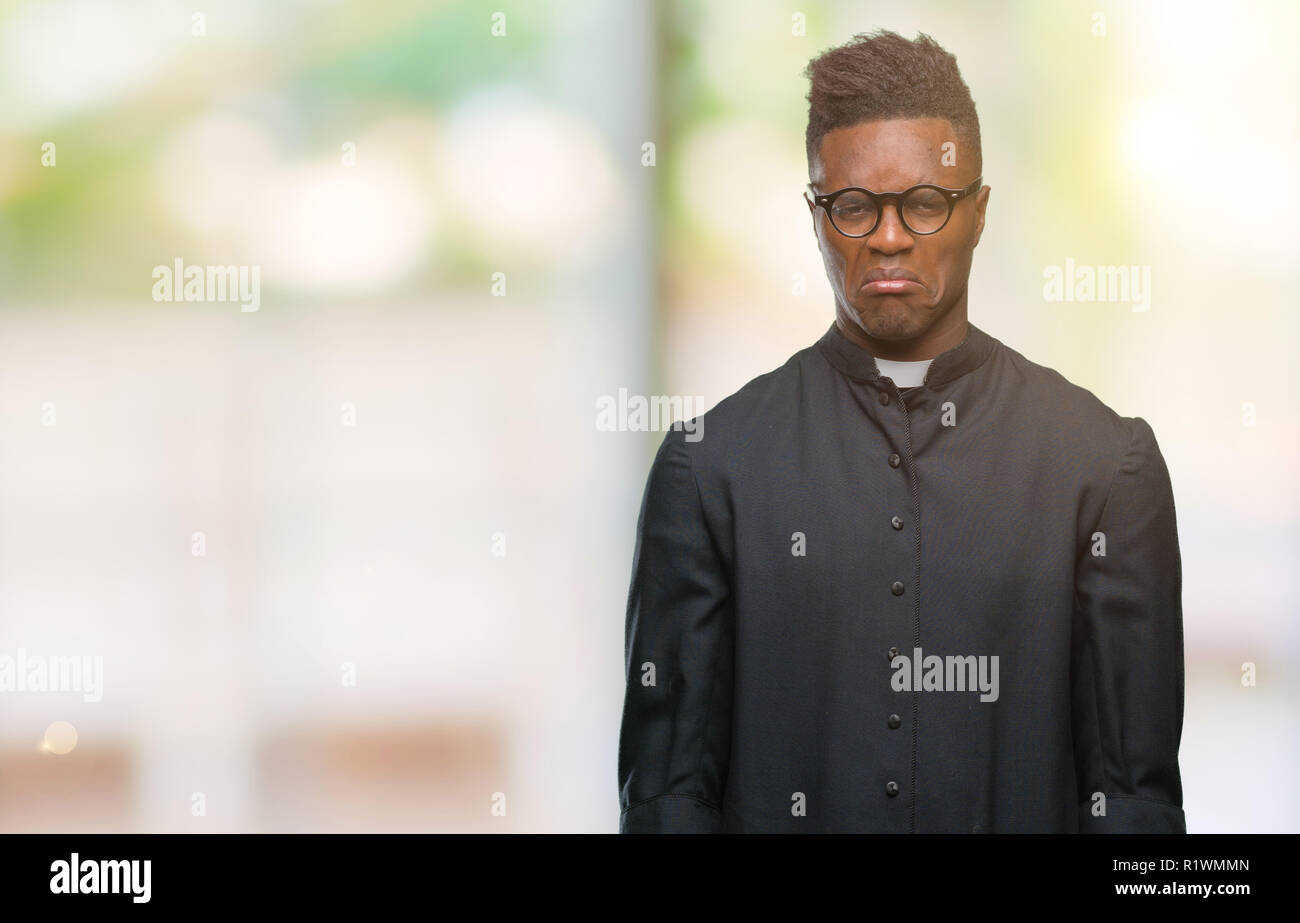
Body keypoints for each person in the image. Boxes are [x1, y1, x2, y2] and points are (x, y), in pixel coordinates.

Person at [617, 29, 1186, 833]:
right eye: (853, 206)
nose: (888, 237)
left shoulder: (1104, 466)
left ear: (979, 210)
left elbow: (1137, 806)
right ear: (815, 214)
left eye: (925, 202)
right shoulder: (708, 471)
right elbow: (666, 802)